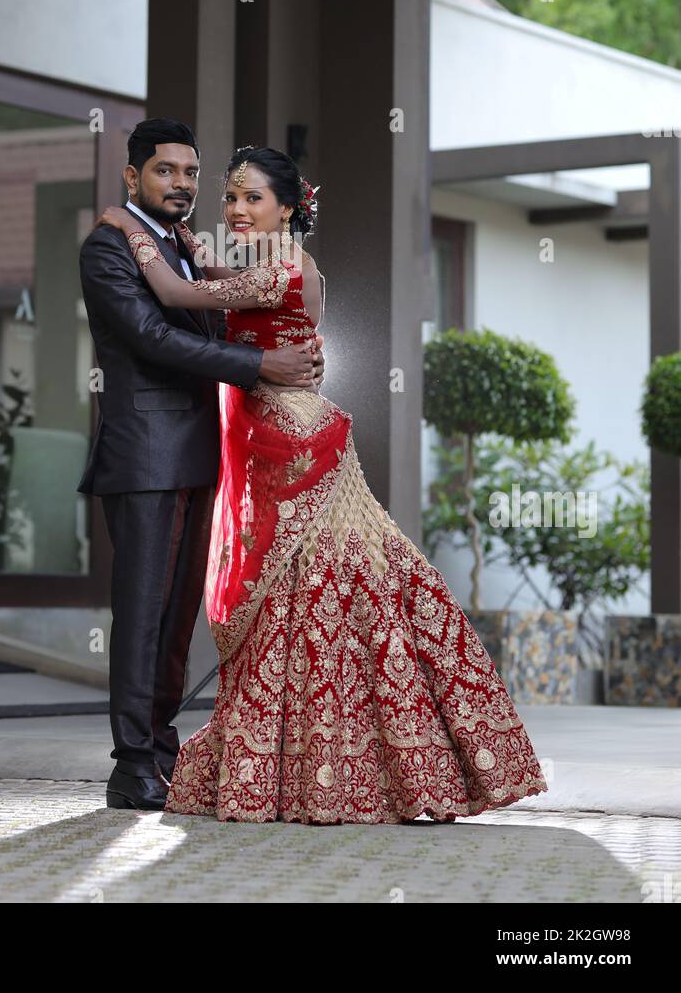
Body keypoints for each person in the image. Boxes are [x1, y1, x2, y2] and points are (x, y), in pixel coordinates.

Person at [96, 144, 549, 825]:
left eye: (253, 198)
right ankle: (343, 765)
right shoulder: (281, 267)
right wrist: (191, 244)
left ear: (288, 207)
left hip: (289, 436)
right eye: (231, 197)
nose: (237, 209)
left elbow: (177, 294)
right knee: (331, 584)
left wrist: (129, 229)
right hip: (289, 427)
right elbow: (221, 282)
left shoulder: (276, 270)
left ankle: (319, 769)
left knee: (306, 589)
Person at [77, 120, 324, 812]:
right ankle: (130, 766)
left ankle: (160, 749)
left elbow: (224, 312)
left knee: (178, 612)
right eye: (165, 171)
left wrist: (289, 345)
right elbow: (153, 338)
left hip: (197, 452)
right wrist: (261, 364)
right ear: (134, 178)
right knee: (143, 613)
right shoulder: (109, 247)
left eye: (190, 172)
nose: (181, 183)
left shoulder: (182, 248)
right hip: (145, 456)